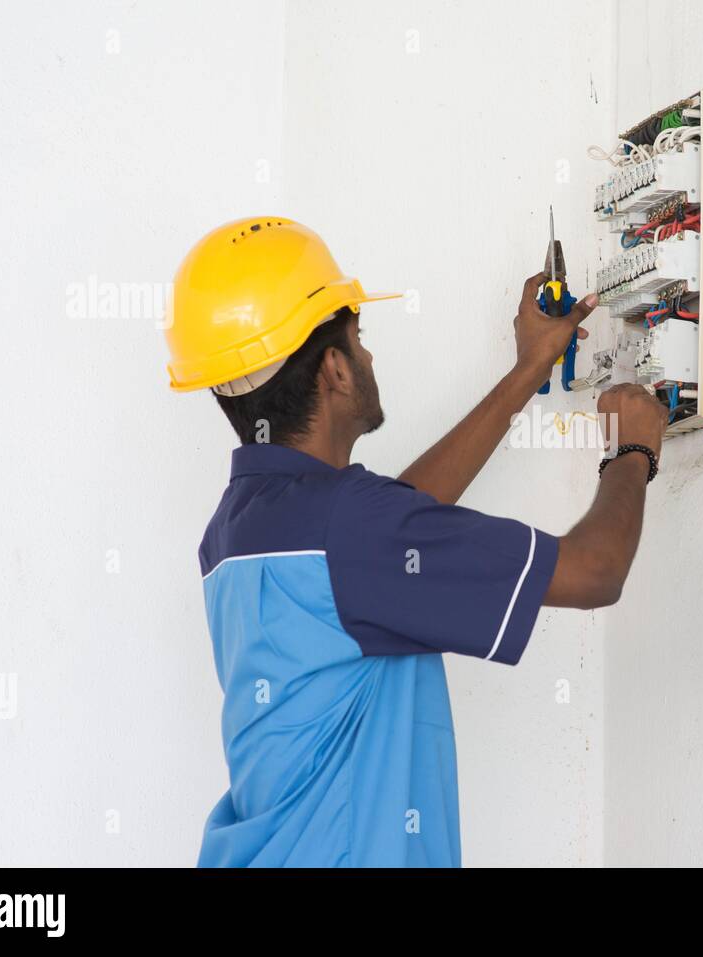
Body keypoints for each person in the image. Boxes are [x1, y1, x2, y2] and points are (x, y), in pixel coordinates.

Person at [162, 217, 666, 866]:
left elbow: (394, 535)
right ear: (336, 372)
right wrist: (633, 448)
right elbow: (597, 571)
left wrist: (528, 371)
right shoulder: (350, 530)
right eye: (359, 338)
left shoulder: (238, 527)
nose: (369, 356)